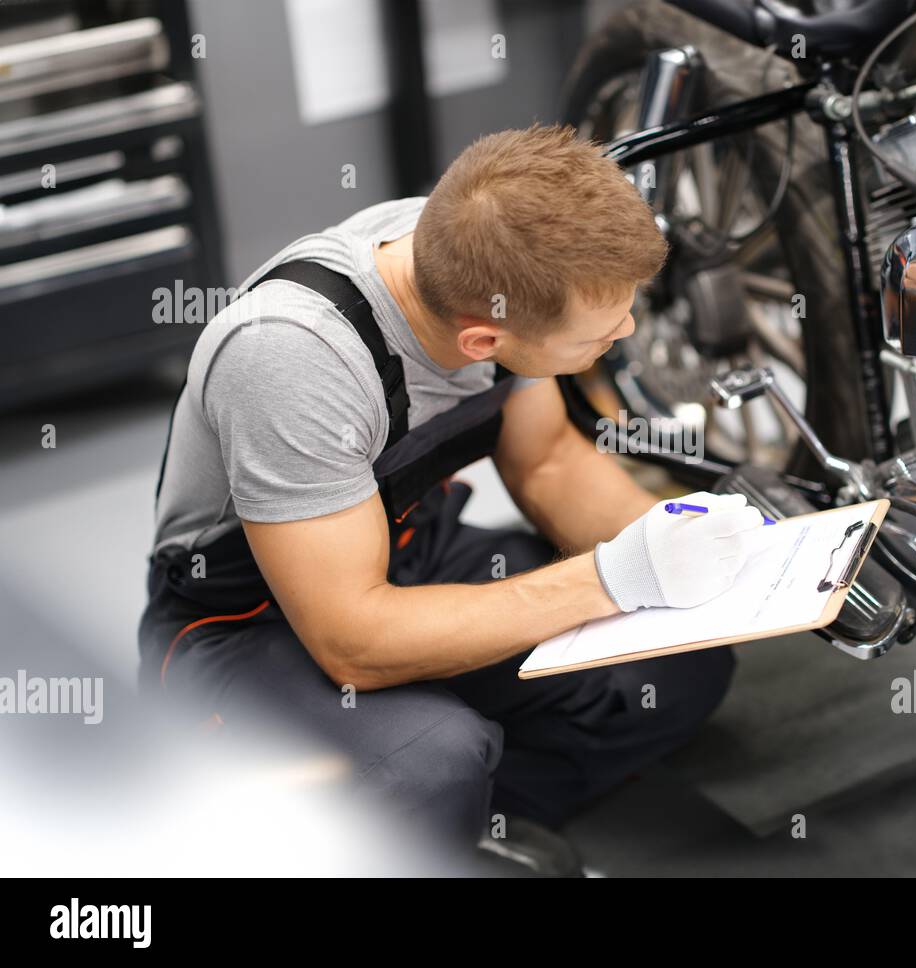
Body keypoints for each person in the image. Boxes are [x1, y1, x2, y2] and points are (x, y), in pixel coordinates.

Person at [137, 124, 766, 867]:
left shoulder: (489, 252)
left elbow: (547, 463)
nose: (625, 330)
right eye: (601, 334)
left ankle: (453, 830)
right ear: (481, 344)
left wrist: (709, 559)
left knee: (679, 664)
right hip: (246, 623)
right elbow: (354, 644)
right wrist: (610, 577)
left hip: (409, 544)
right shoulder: (291, 358)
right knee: (431, 759)